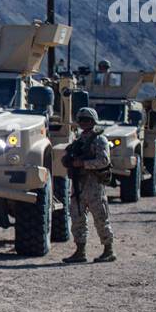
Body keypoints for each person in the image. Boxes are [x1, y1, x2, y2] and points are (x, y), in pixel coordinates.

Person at [62, 107, 116, 263]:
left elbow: (104, 161)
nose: (84, 123)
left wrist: (83, 163)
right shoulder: (79, 140)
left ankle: (108, 250)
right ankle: (80, 252)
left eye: (87, 120)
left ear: (93, 121)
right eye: (81, 120)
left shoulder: (100, 140)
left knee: (101, 218)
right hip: (78, 186)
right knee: (77, 219)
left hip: (94, 185)